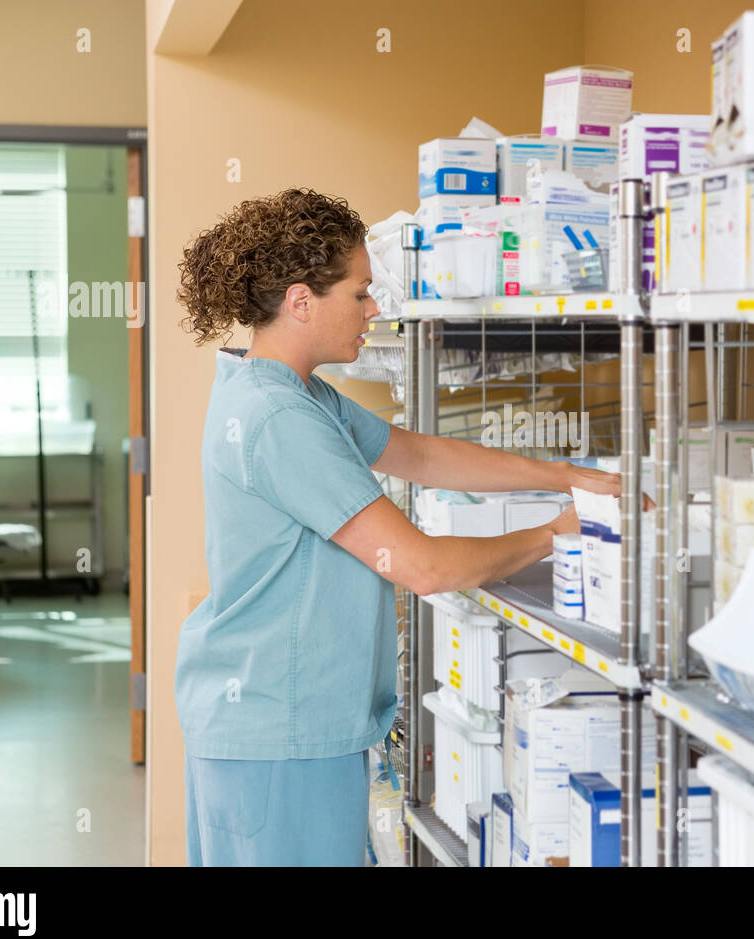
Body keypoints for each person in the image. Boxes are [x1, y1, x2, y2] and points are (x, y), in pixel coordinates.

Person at [173, 187, 626, 866]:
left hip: (274, 724)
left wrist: (564, 474)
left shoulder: (291, 394)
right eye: (359, 294)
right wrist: (558, 533)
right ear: (302, 301)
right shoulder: (281, 420)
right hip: (279, 733)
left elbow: (419, 454)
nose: (374, 307)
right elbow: (422, 566)